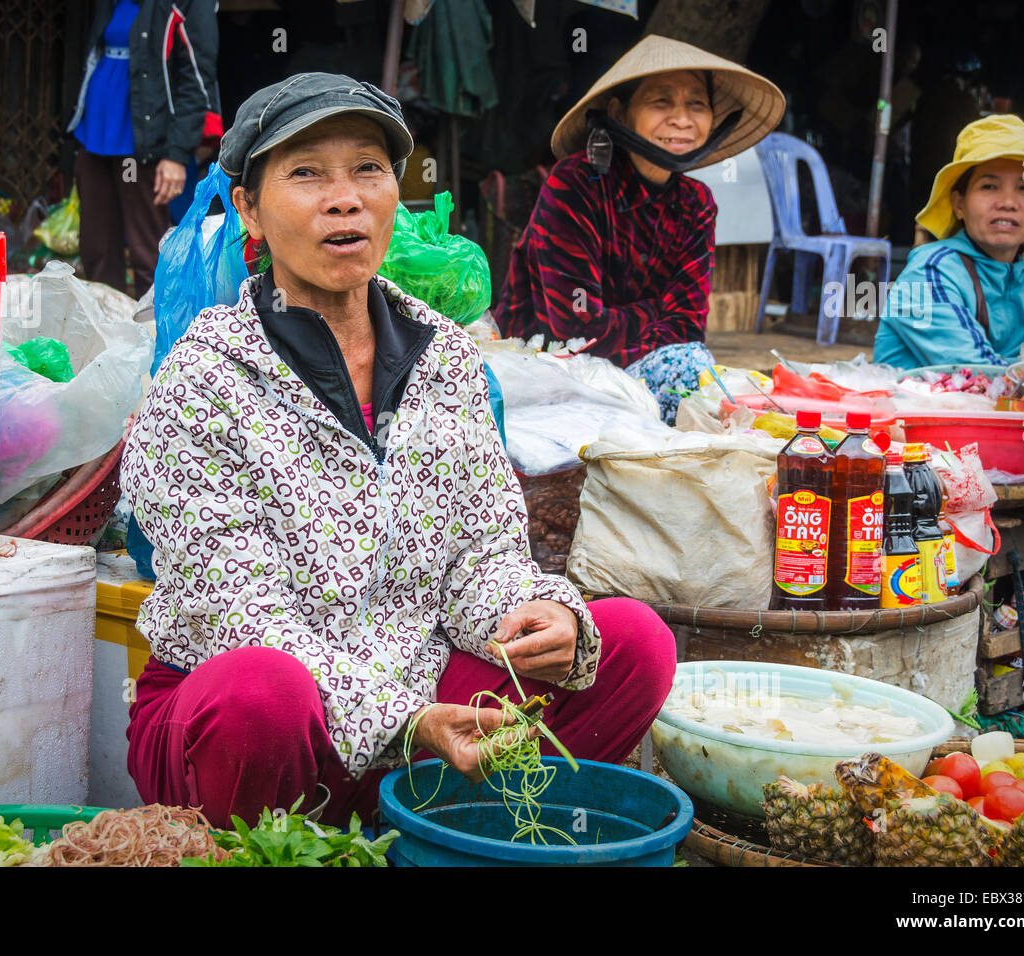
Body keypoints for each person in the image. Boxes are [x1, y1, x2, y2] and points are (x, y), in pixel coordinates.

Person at [119, 73, 677, 829]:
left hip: (423, 707)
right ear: (248, 206)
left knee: (632, 642)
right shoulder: (205, 378)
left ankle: (431, 831)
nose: (343, 198)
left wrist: (535, 614)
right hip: (266, 732)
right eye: (306, 173)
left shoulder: (446, 359)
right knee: (261, 692)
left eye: (368, 170)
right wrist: (407, 719)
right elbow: (237, 612)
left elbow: (484, 553)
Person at [493, 35, 783, 423]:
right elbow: (577, 329)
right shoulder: (575, 184)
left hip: (641, 373)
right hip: (545, 374)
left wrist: (627, 323)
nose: (682, 119)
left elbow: (689, 327)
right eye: (661, 101)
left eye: (696, 104)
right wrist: (657, 310)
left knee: (695, 368)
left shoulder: (696, 203)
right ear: (619, 111)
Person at [874, 115, 1024, 370]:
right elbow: (974, 372)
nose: (1007, 202)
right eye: (989, 186)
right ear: (959, 204)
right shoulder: (930, 273)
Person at [68, 0, 219, 298]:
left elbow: (197, 81)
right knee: (96, 247)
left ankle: (153, 336)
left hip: (145, 138)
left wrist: (176, 155)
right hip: (96, 132)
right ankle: (107, 332)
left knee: (147, 251)